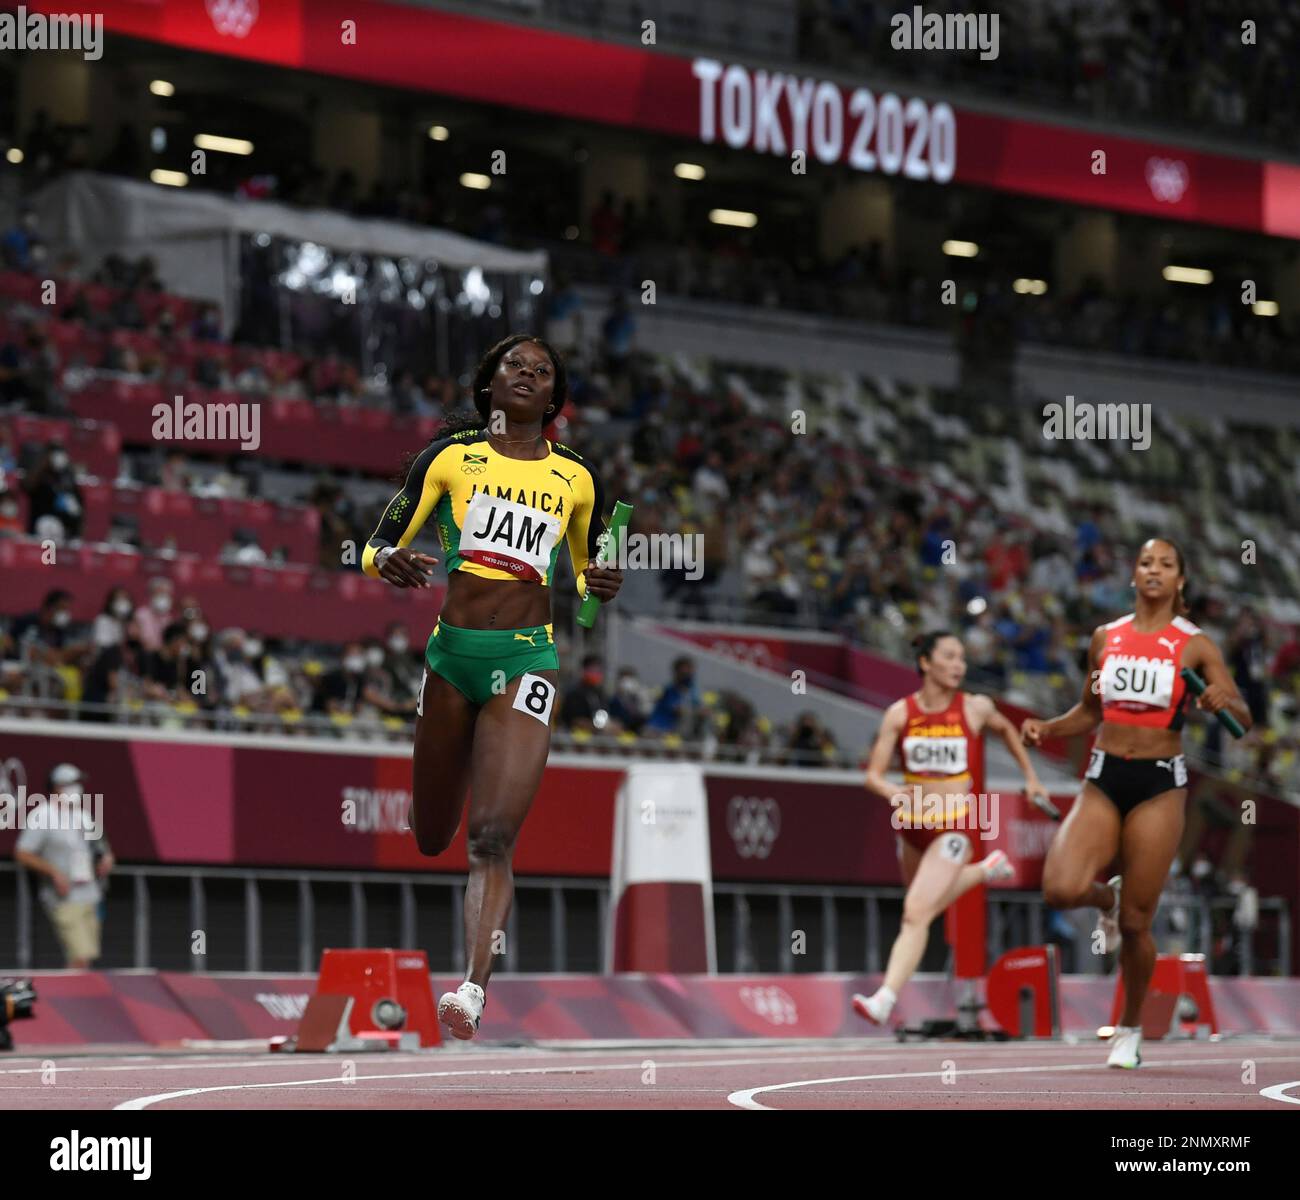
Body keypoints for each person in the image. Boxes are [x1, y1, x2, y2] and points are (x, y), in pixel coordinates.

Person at [362, 334, 620, 1039]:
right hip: (451, 660)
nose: (529, 374)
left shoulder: (575, 478)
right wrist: (386, 561)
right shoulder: (447, 458)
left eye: (542, 371)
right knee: (432, 835)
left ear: (553, 397)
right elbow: (375, 541)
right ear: (490, 384)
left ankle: (472, 989)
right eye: (516, 365)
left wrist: (602, 581)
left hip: (527, 660)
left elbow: (590, 573)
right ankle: (434, 801)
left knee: (492, 836)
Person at [1021, 538, 1251, 1068]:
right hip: (1104, 777)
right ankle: (1107, 897)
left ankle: (1128, 1027)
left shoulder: (1194, 644)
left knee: (1137, 926)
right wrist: (1047, 727)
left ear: (1180, 582)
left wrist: (1222, 700)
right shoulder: (1107, 637)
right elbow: (1088, 710)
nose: (1154, 570)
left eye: (1166, 564)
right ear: (1134, 576)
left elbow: (1242, 714)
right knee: (1060, 888)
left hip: (1158, 785)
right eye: (1146, 562)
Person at [853, 631, 1053, 1026]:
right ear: (926, 662)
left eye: (962, 658)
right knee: (925, 906)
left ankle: (885, 999)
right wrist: (894, 792)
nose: (959, 665)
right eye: (949, 656)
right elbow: (872, 776)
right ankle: (986, 870)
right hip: (911, 825)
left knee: (915, 914)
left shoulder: (975, 708)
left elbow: (1008, 731)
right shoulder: (900, 713)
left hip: (955, 825)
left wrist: (1030, 777)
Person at [13, 764, 114, 968]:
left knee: (86, 958)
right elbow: (22, 852)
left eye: (77, 784)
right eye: (70, 784)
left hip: (90, 893)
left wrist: (107, 858)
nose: (76, 788)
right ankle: (76, 996)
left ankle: (80, 996)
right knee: (80, 955)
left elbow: (101, 845)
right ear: (56, 787)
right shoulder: (42, 815)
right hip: (64, 897)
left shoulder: (83, 814)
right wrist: (54, 873)